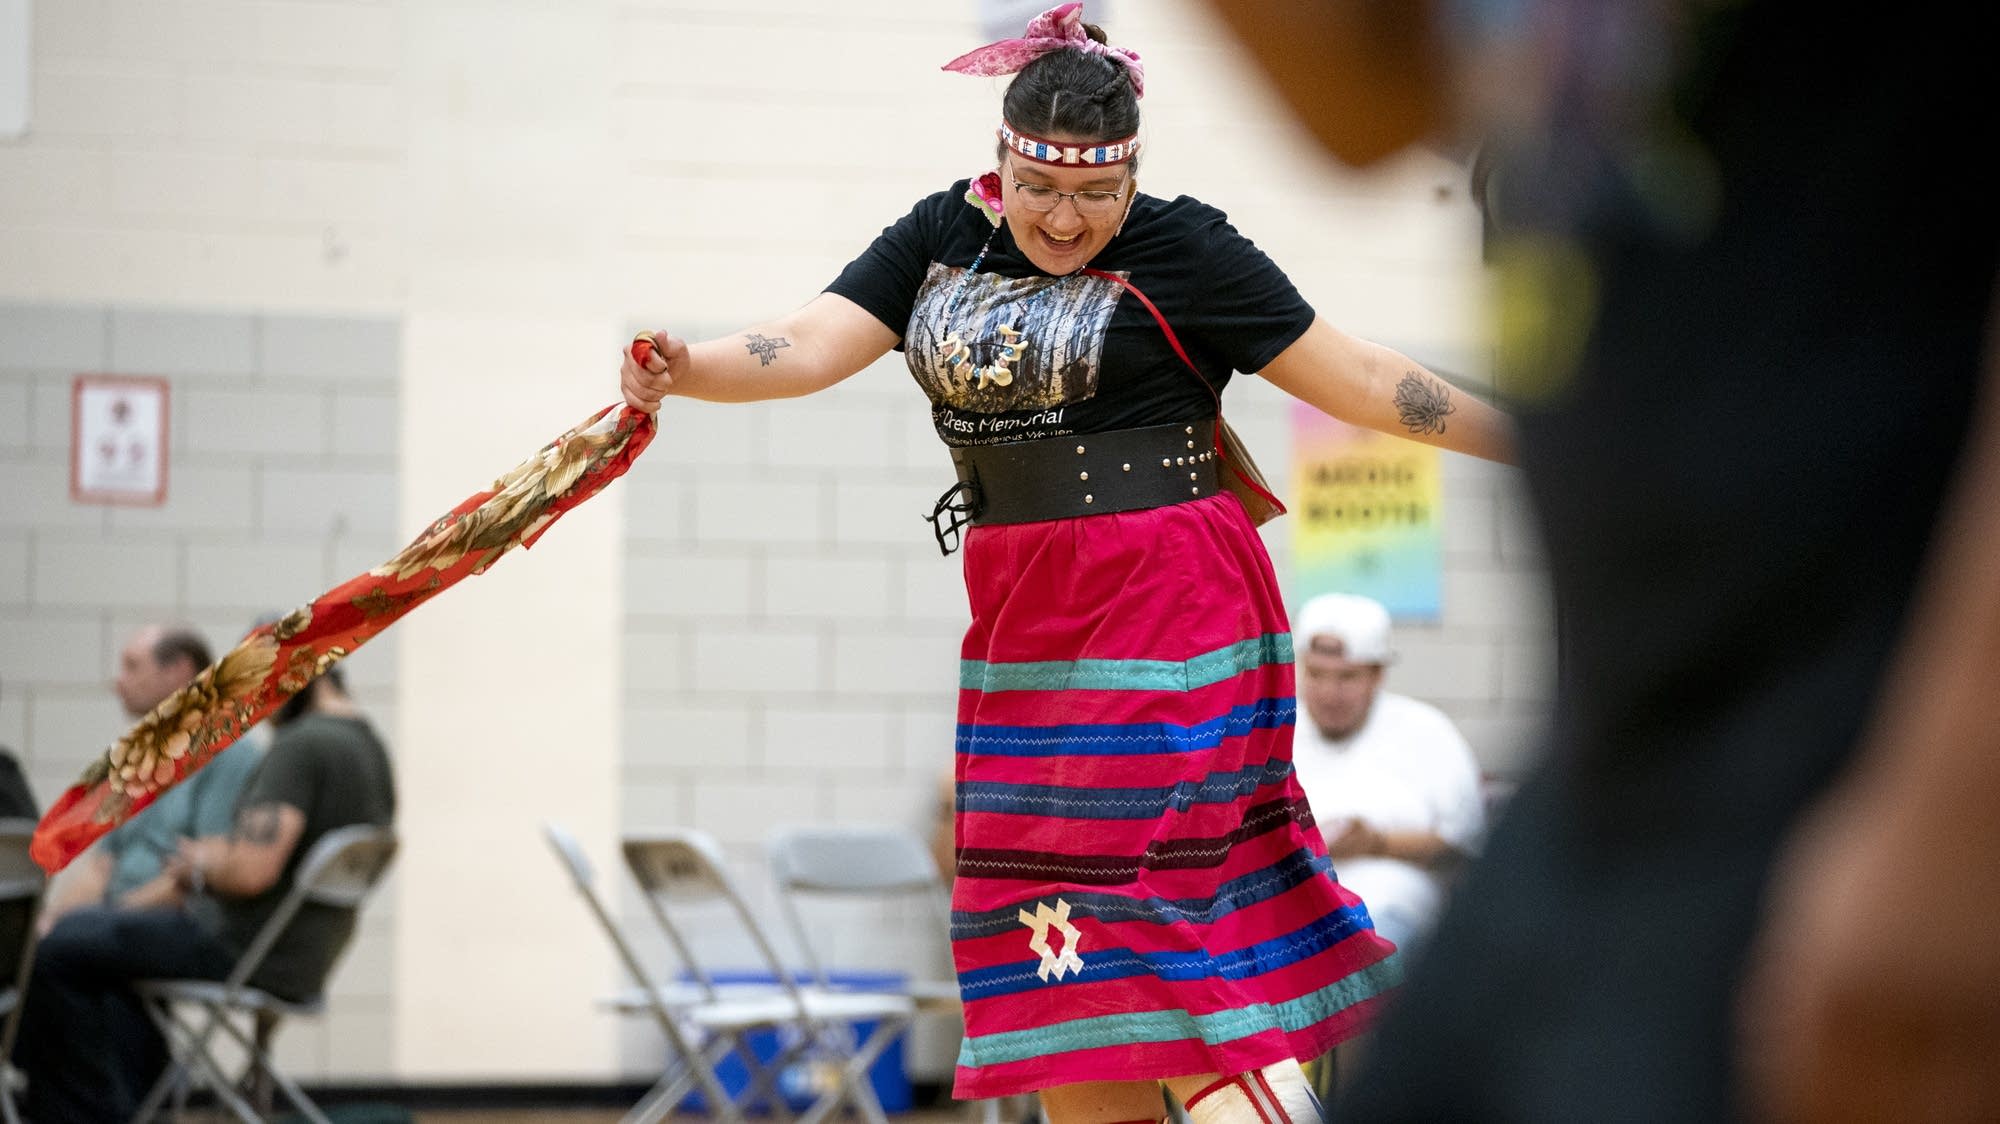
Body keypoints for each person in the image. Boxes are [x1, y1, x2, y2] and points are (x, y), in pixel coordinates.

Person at [619, 6, 1514, 1121]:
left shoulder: (1186, 248)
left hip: (1170, 607)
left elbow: (1364, 379)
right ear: (1000, 159)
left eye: (1097, 193)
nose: (1066, 217)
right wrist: (686, 364)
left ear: (1131, 170)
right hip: (1022, 629)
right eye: (1040, 188)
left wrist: (1537, 435)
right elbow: (803, 343)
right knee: (1062, 973)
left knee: (1141, 915)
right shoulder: (939, 234)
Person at [1198, 2, 2000, 1121]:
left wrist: (1962, 819)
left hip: (1863, 731)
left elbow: (1365, 370)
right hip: (1615, 758)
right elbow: (1363, 105)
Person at [11, 666, 397, 1123]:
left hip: (242, 950)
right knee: (91, 951)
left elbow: (253, 872)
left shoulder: (301, 745)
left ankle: (88, 1112)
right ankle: (127, 1102)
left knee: (53, 950)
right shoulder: (368, 745)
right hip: (302, 956)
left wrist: (202, 865)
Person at [1288, 593, 1483, 960]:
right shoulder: (1276, 731)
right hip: (1289, 923)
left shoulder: (1426, 731)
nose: (1329, 692)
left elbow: (1463, 842)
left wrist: (1375, 842)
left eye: (1346, 677)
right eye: (1316, 674)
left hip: (1392, 919)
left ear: (1376, 674)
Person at [36, 624, 262, 932]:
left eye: (132, 666)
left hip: (176, 923)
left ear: (179, 672)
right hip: (116, 921)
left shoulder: (230, 754)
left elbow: (199, 872)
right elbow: (101, 867)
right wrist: (49, 924)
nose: (119, 682)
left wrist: (105, 921)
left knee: (63, 950)